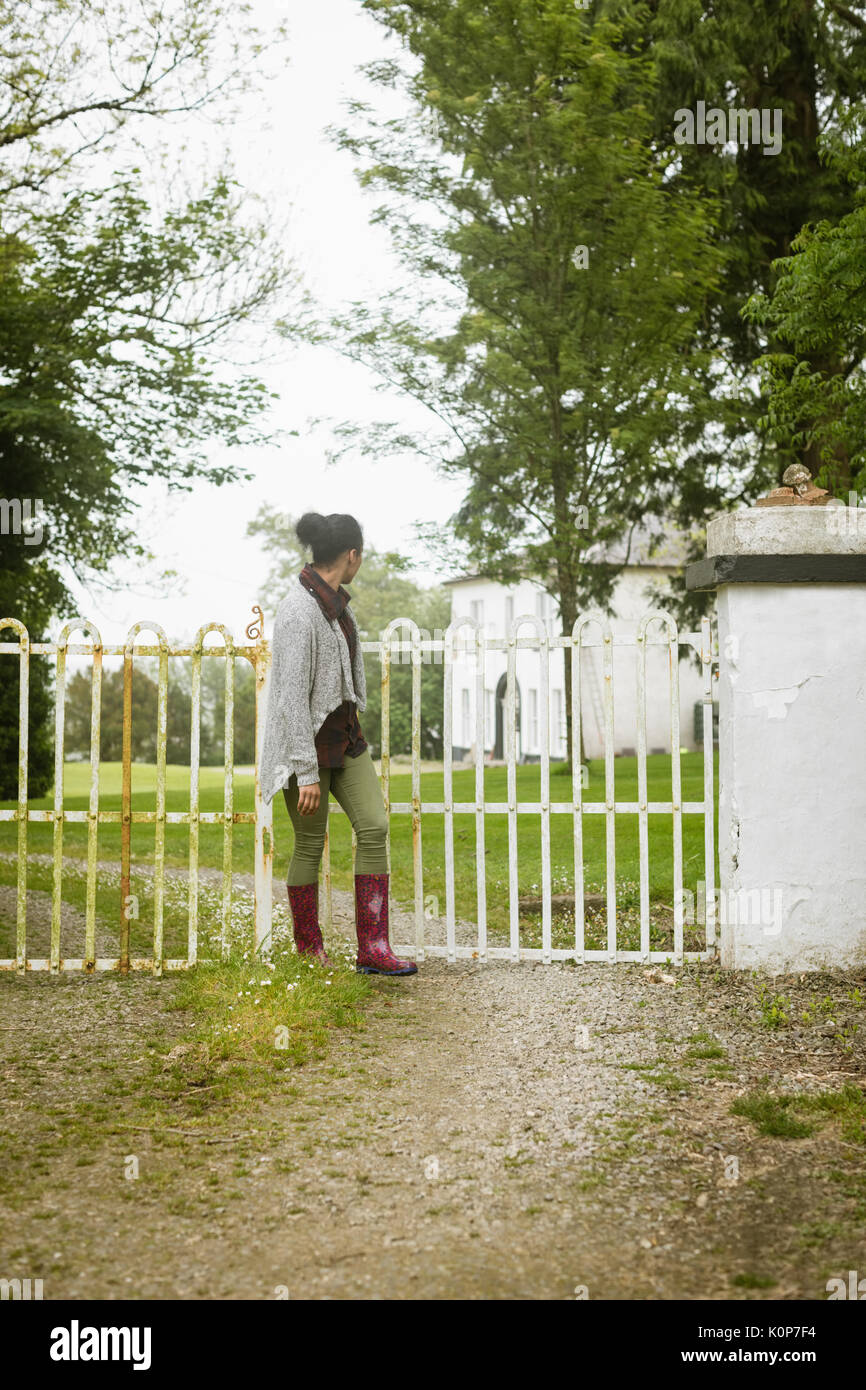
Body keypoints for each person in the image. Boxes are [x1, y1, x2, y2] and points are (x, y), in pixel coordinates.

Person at [260, 511, 417, 976]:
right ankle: (309, 951)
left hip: (345, 739)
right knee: (309, 845)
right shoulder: (297, 611)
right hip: (303, 746)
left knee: (374, 826)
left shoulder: (336, 605)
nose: (361, 561)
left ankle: (373, 949)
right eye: (361, 554)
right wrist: (304, 772)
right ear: (351, 555)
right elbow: (288, 698)